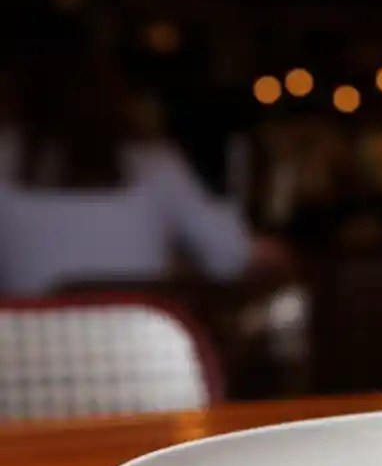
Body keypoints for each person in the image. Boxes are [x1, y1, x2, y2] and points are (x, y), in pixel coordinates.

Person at [0, 39, 260, 296]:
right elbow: (231, 256)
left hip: (28, 324)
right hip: (140, 322)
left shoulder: (6, 161)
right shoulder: (155, 164)